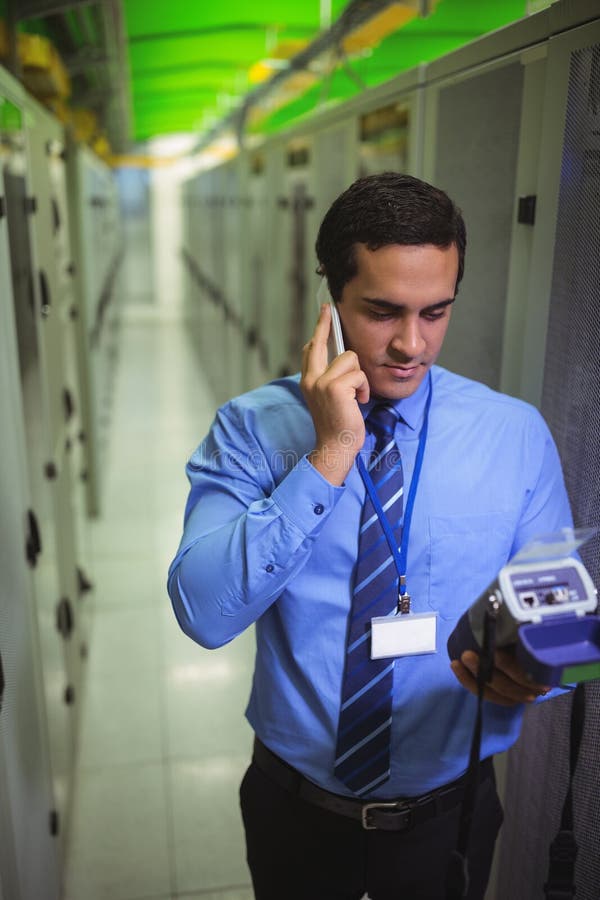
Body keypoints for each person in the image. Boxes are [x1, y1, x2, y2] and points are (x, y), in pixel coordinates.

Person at [167, 172, 573, 900]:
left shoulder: (513, 436)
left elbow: (562, 622)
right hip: (296, 807)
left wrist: (545, 672)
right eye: (383, 312)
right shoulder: (252, 430)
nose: (412, 344)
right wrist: (328, 455)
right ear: (332, 301)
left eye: (436, 311)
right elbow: (203, 613)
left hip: (450, 813)